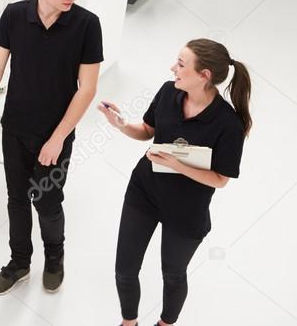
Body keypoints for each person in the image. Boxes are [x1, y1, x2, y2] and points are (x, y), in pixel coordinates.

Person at [0, 0, 103, 295]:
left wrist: (59, 137)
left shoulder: (87, 25)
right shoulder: (15, 15)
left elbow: (87, 88)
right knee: (16, 198)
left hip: (54, 134)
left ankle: (55, 258)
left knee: (45, 199)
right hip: (15, 127)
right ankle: (19, 263)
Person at [100, 39, 250, 326]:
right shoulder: (169, 92)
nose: (173, 68)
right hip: (144, 192)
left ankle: (165, 324)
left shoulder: (229, 125)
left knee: (173, 274)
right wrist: (120, 123)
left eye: (181, 64)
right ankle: (128, 323)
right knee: (125, 270)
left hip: (187, 210)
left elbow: (221, 179)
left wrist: (177, 165)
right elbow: (147, 131)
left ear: (204, 75)